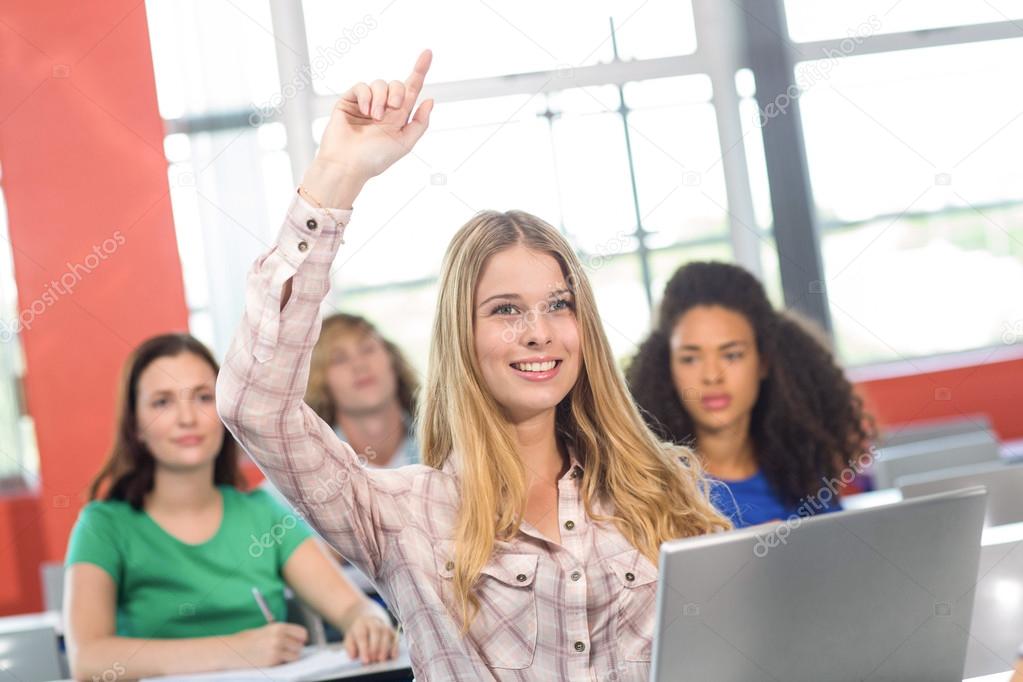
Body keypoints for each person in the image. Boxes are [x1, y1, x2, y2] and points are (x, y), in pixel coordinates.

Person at [216, 50, 729, 680]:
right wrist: (336, 173)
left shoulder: (657, 492)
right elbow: (254, 405)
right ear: (463, 337)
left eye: (558, 305)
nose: (538, 333)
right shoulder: (402, 516)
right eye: (506, 310)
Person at [64, 334, 396, 680]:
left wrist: (369, 622)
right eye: (162, 402)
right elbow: (87, 659)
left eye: (204, 397)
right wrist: (234, 649)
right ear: (136, 426)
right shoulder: (103, 526)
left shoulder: (262, 513)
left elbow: (355, 608)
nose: (187, 417)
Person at [627, 261, 876, 528]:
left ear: (763, 363)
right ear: (668, 368)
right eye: (690, 358)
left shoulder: (803, 477)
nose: (712, 376)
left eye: (732, 355)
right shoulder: (647, 491)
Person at [306, 313, 420, 468]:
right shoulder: (309, 468)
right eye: (339, 359)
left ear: (393, 360)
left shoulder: (451, 447)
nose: (359, 365)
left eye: (367, 349)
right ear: (321, 383)